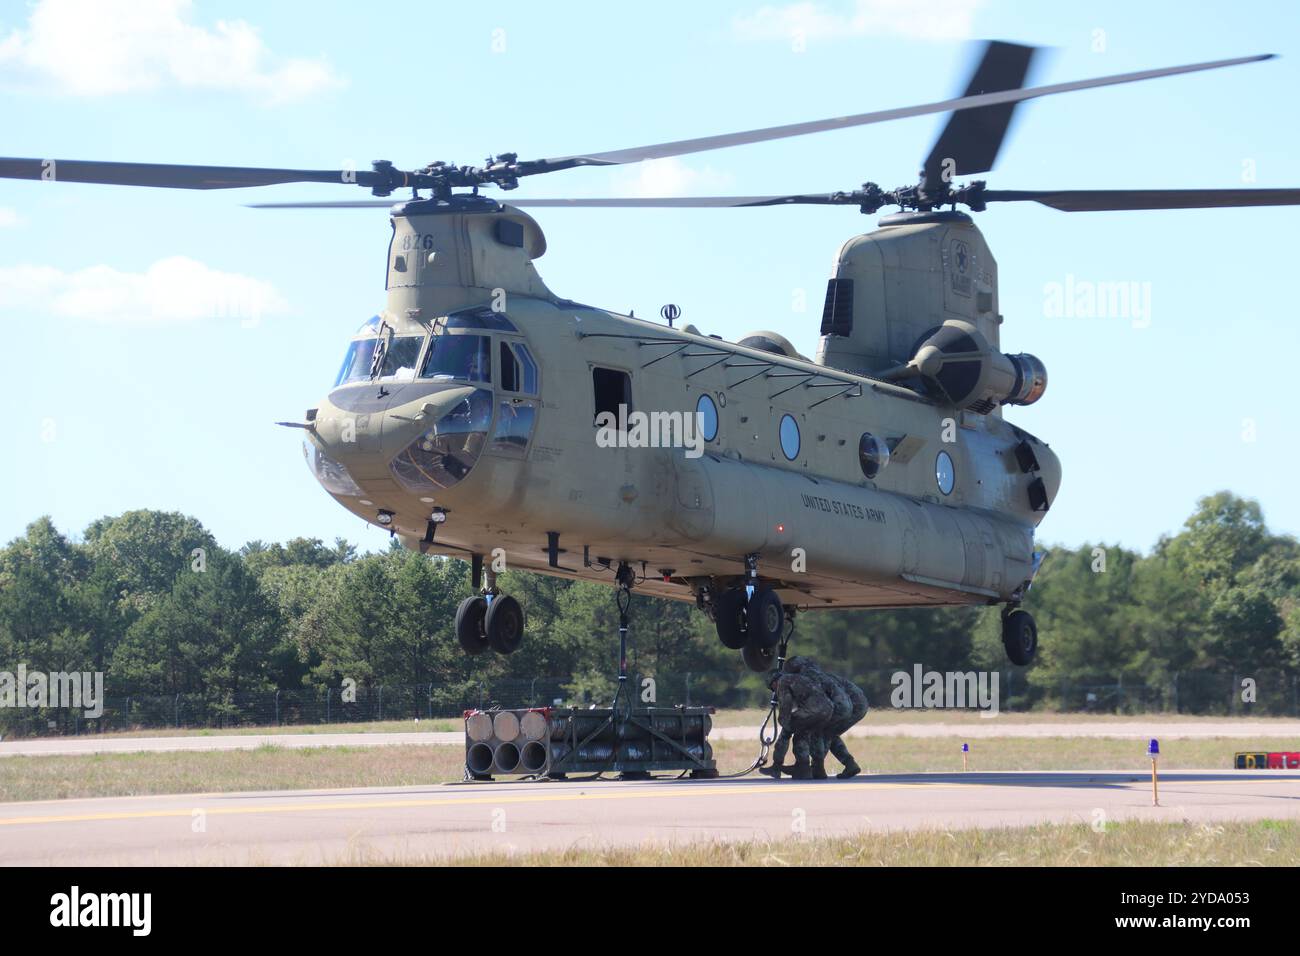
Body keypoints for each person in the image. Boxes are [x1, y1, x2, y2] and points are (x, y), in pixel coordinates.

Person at [779, 657, 867, 779]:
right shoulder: (819, 673)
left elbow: (817, 702)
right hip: (858, 703)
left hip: (846, 705)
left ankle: (818, 768)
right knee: (829, 733)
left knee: (819, 731)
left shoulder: (808, 676)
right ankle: (849, 764)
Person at [758, 670, 832, 780]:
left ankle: (781, 767)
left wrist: (784, 721)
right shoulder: (797, 678)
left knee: (789, 733)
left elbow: (786, 704)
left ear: (774, 682)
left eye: (772, 688)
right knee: (814, 735)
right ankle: (818, 769)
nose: (774, 690)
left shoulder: (782, 682)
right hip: (828, 709)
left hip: (813, 710)